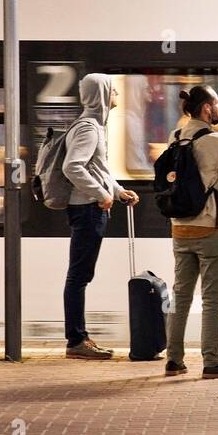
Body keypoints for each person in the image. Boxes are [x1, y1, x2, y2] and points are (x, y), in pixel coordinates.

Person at [164, 85, 218, 379]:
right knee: (212, 299)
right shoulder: (217, 141)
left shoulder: (177, 139)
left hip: (179, 228)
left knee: (180, 295)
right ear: (206, 108)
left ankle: (173, 359)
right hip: (211, 228)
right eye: (217, 103)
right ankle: (211, 361)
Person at [61, 74, 139, 359]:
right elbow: (73, 167)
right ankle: (76, 341)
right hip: (87, 210)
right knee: (78, 276)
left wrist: (118, 192)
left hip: (90, 207)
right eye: (112, 88)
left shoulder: (94, 127)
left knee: (81, 274)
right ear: (102, 94)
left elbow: (99, 170)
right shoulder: (89, 129)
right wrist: (101, 195)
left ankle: (78, 338)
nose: (117, 91)